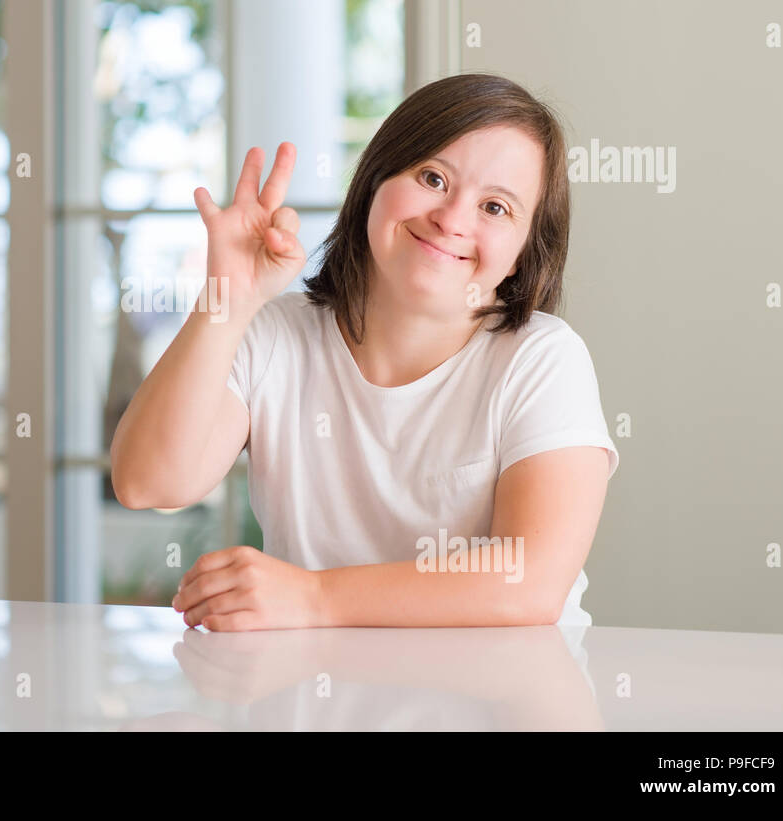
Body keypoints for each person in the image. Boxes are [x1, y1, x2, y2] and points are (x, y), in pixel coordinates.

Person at [110, 73, 619, 631]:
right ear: (376, 178)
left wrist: (313, 597)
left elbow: (531, 586)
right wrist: (225, 303)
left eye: (496, 208)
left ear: (523, 254)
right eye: (433, 177)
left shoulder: (542, 360)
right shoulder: (275, 335)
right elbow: (148, 484)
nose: (451, 219)